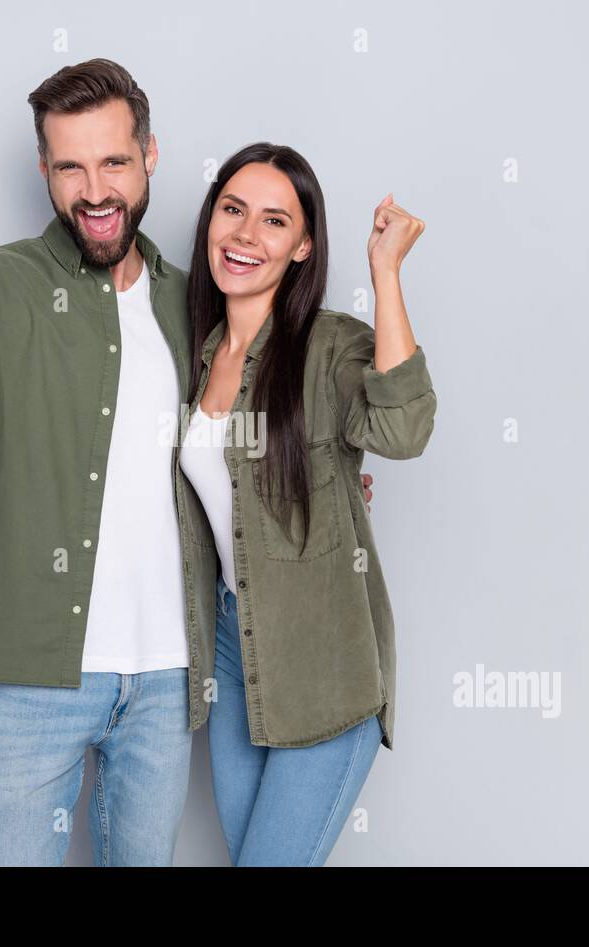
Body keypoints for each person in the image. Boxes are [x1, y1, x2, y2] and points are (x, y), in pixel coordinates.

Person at [0, 59, 373, 866]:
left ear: (149, 155)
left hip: (168, 684)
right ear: (42, 170)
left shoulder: (199, 306)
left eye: (113, 161)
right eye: (70, 166)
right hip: (29, 681)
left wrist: (337, 492)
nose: (94, 189)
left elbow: (267, 430)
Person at [176, 143, 436, 865]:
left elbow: (402, 428)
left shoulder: (328, 346)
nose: (245, 236)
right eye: (232, 211)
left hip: (323, 656)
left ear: (302, 247)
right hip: (232, 649)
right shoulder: (198, 355)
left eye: (273, 221)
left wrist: (386, 273)